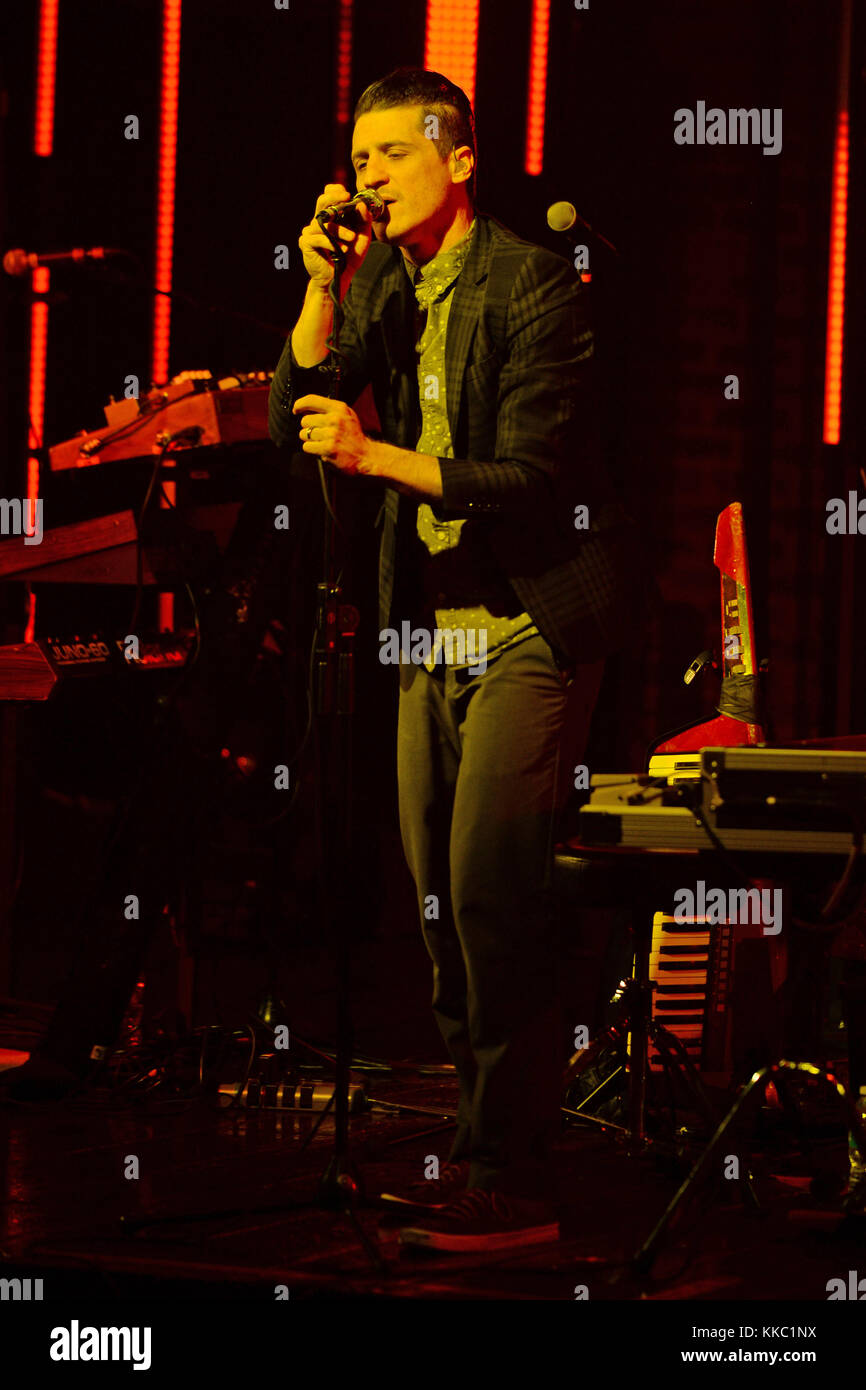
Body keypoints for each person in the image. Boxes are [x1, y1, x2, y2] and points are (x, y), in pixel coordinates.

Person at [269, 67, 637, 1252]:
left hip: (528, 627)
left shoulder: (530, 282)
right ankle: (483, 1148)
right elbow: (297, 414)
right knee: (435, 908)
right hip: (423, 633)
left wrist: (378, 460)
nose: (370, 176)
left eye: (393, 154)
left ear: (459, 157)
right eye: (359, 158)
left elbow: (527, 483)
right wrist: (319, 291)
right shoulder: (379, 278)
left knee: (492, 899)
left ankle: (512, 1181)